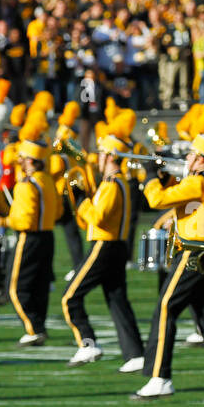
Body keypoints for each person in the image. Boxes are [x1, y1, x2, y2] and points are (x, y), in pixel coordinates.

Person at [135, 133, 204, 399]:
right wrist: (164, 177)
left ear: (202, 160)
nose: (188, 158)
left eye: (192, 154)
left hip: (194, 251)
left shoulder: (201, 181)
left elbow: (157, 200)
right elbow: (183, 196)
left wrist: (149, 177)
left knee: (166, 306)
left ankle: (160, 375)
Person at [61, 127, 145, 371]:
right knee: (117, 300)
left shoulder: (111, 185)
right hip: (115, 246)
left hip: (104, 245)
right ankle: (135, 354)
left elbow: (97, 217)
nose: (97, 157)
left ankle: (87, 343)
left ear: (110, 156)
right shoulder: (118, 182)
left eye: (101, 153)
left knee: (70, 296)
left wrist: (80, 200)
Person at [0, 129, 59, 346]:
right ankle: (39, 327)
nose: (19, 161)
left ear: (30, 160)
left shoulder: (27, 184)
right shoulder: (48, 180)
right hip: (48, 237)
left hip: (28, 239)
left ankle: (33, 328)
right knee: (40, 286)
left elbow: (24, 221)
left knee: (15, 287)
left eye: (22, 158)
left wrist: (2, 222)